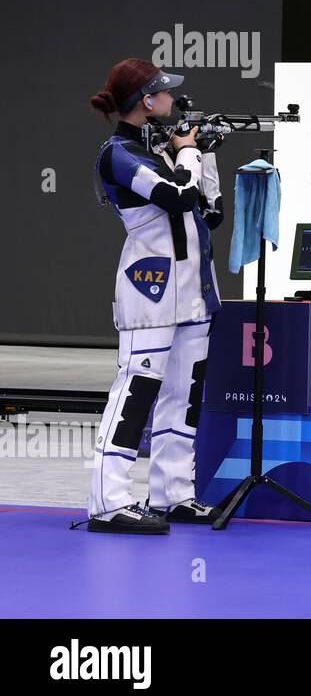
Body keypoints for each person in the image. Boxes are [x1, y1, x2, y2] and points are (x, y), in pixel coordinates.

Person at [85, 58, 224, 533]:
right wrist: (185, 151)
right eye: (162, 92)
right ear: (146, 100)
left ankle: (173, 493)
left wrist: (203, 153)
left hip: (191, 292)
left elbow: (209, 208)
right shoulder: (117, 154)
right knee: (137, 391)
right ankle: (108, 502)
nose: (169, 99)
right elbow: (176, 196)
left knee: (185, 395)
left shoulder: (160, 149)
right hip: (150, 291)